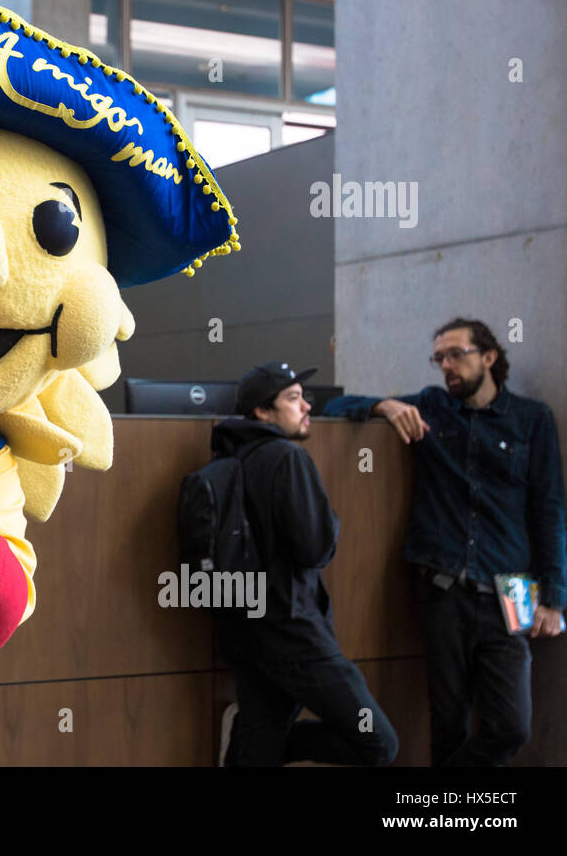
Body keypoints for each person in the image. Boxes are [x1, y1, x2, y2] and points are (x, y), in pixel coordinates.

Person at [324, 318, 565, 765]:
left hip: (513, 585)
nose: (446, 366)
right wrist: (384, 406)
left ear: (489, 357)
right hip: (442, 584)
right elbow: (337, 405)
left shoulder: (532, 420)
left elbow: (549, 510)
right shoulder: (432, 407)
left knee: (512, 727)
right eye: (439, 358)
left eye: (456, 355)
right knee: (448, 722)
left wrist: (553, 598)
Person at [214, 361, 398, 767]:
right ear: (263, 411)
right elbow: (316, 549)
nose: (307, 407)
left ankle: (252, 741)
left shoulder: (229, 462)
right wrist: (330, 520)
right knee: (379, 742)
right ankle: (261, 742)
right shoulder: (287, 458)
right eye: (294, 399)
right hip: (296, 632)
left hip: (248, 632)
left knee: (257, 751)